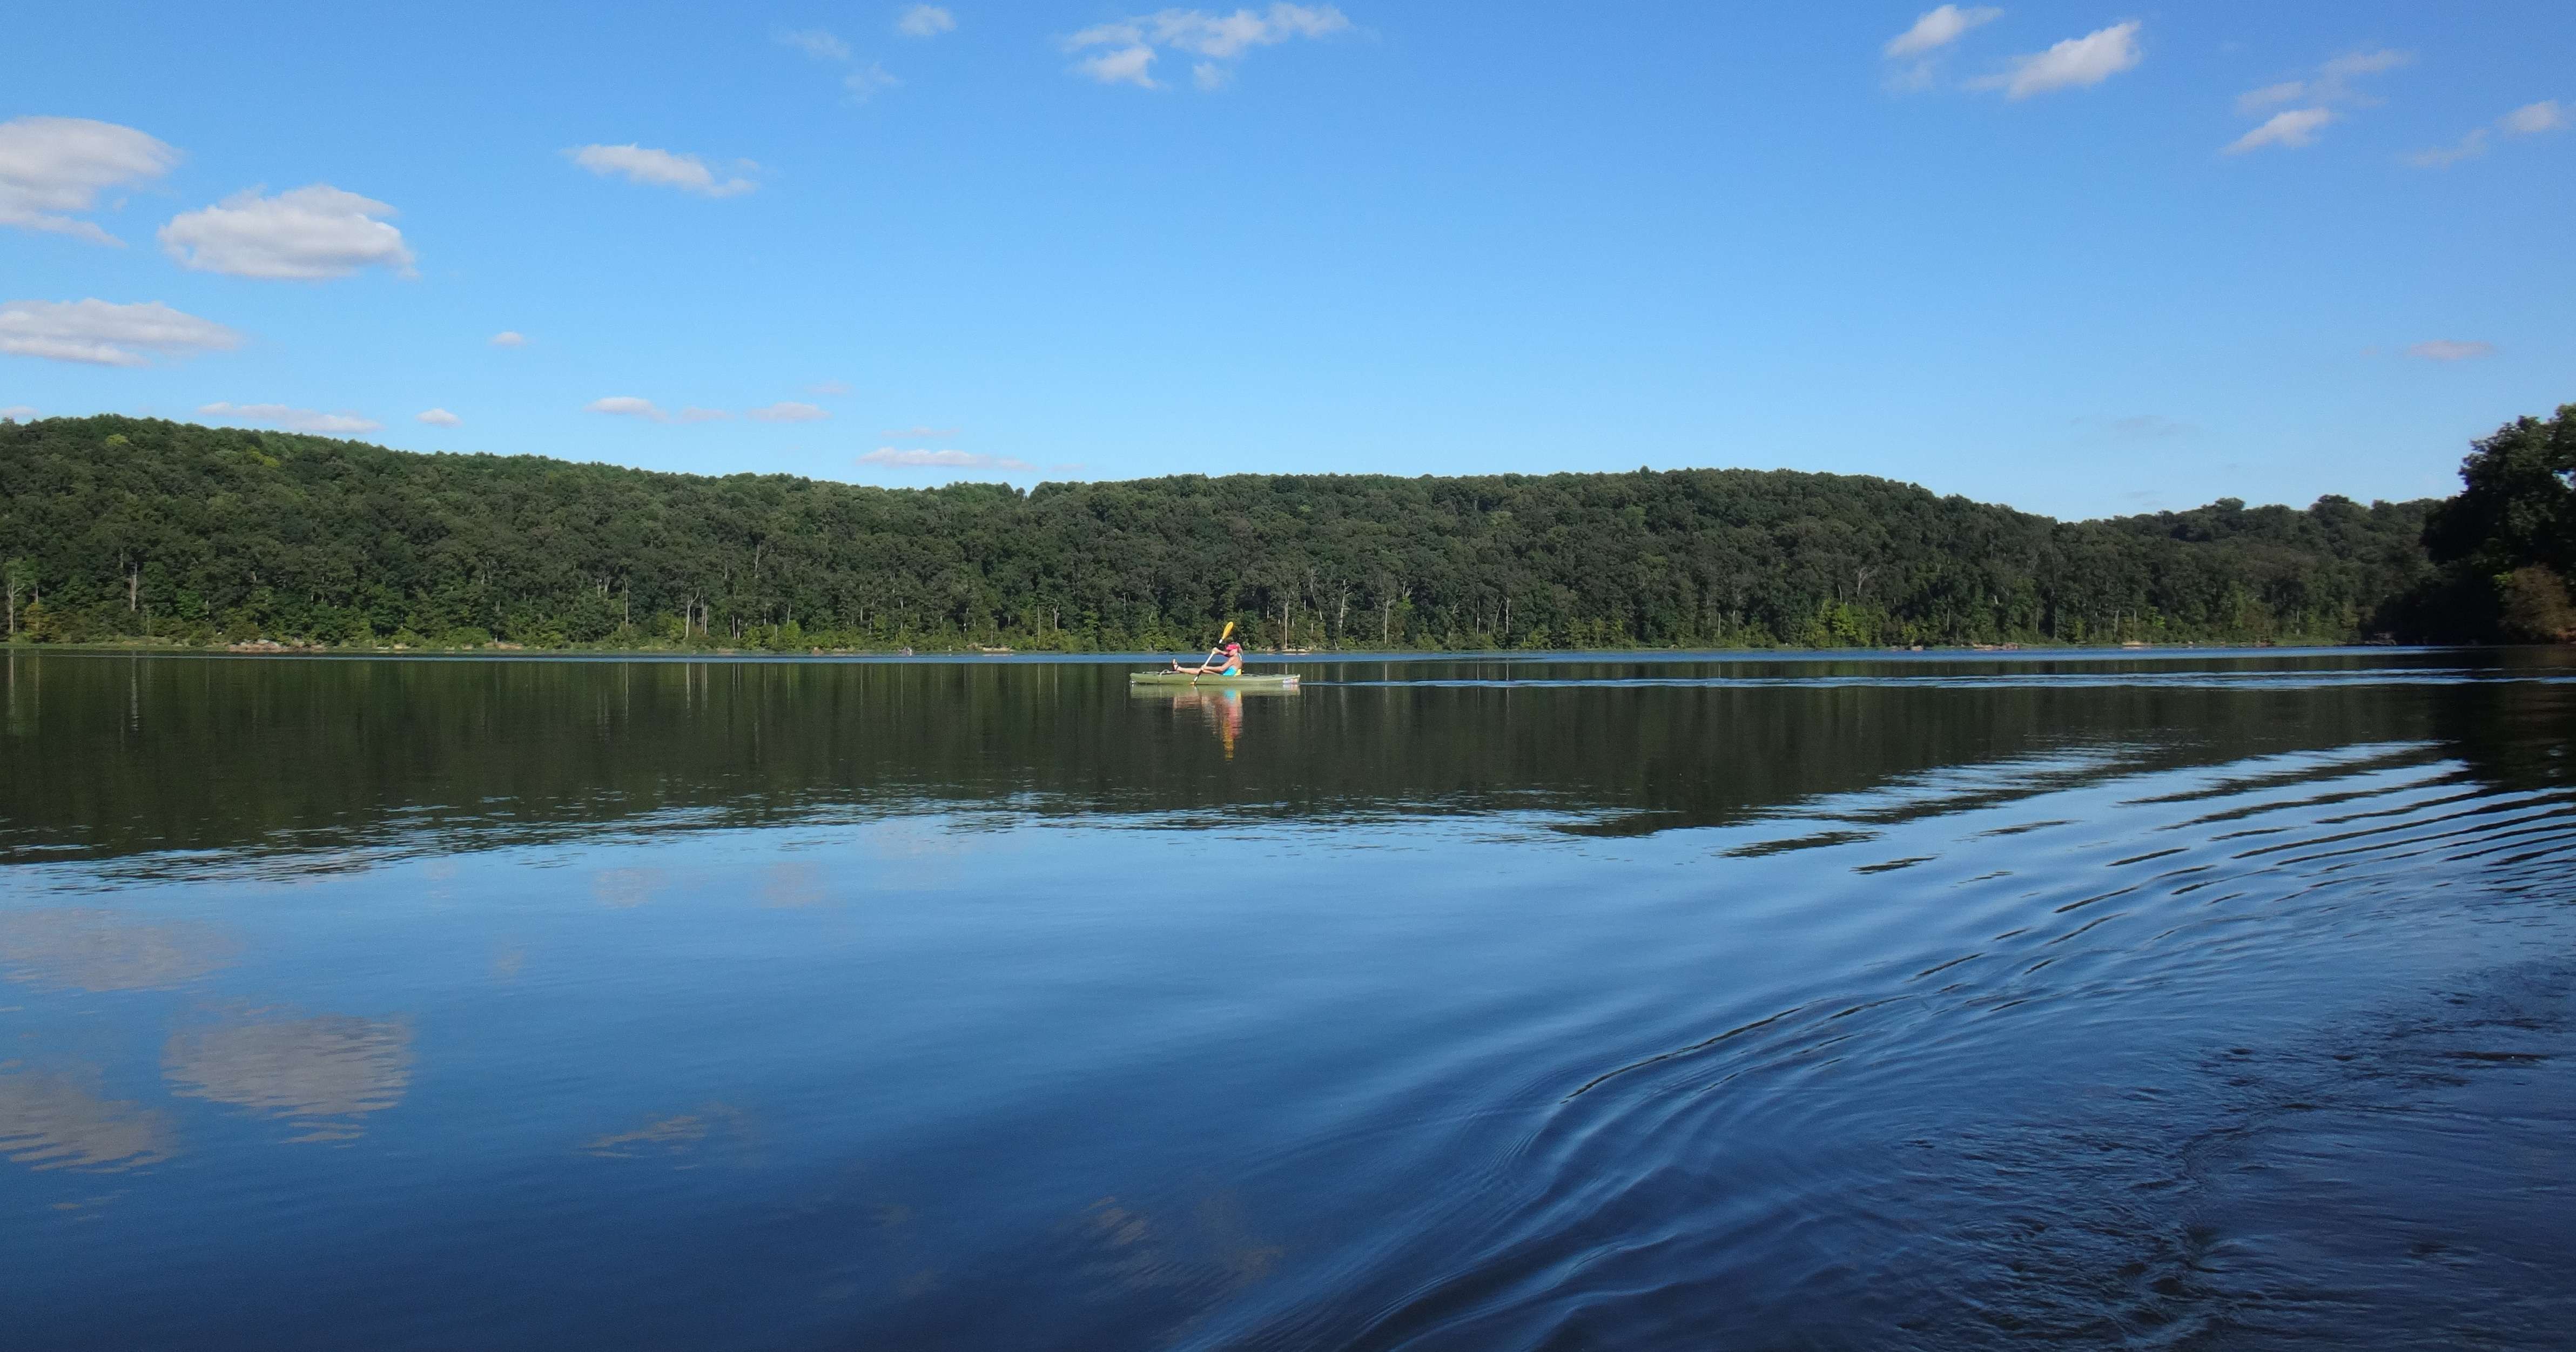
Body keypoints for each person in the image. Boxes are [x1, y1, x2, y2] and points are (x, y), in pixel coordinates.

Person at [1173, 639, 1243, 675]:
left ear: (1235, 650)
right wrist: (1218, 651)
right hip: (1227, 676)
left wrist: (1207, 667)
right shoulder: (1238, 656)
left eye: (1230, 650)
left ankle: (1179, 669)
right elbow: (1226, 654)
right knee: (1203, 670)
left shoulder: (1233, 659)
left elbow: (1222, 669)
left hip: (1225, 678)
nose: (1228, 652)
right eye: (1228, 650)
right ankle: (1180, 669)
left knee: (1201, 670)